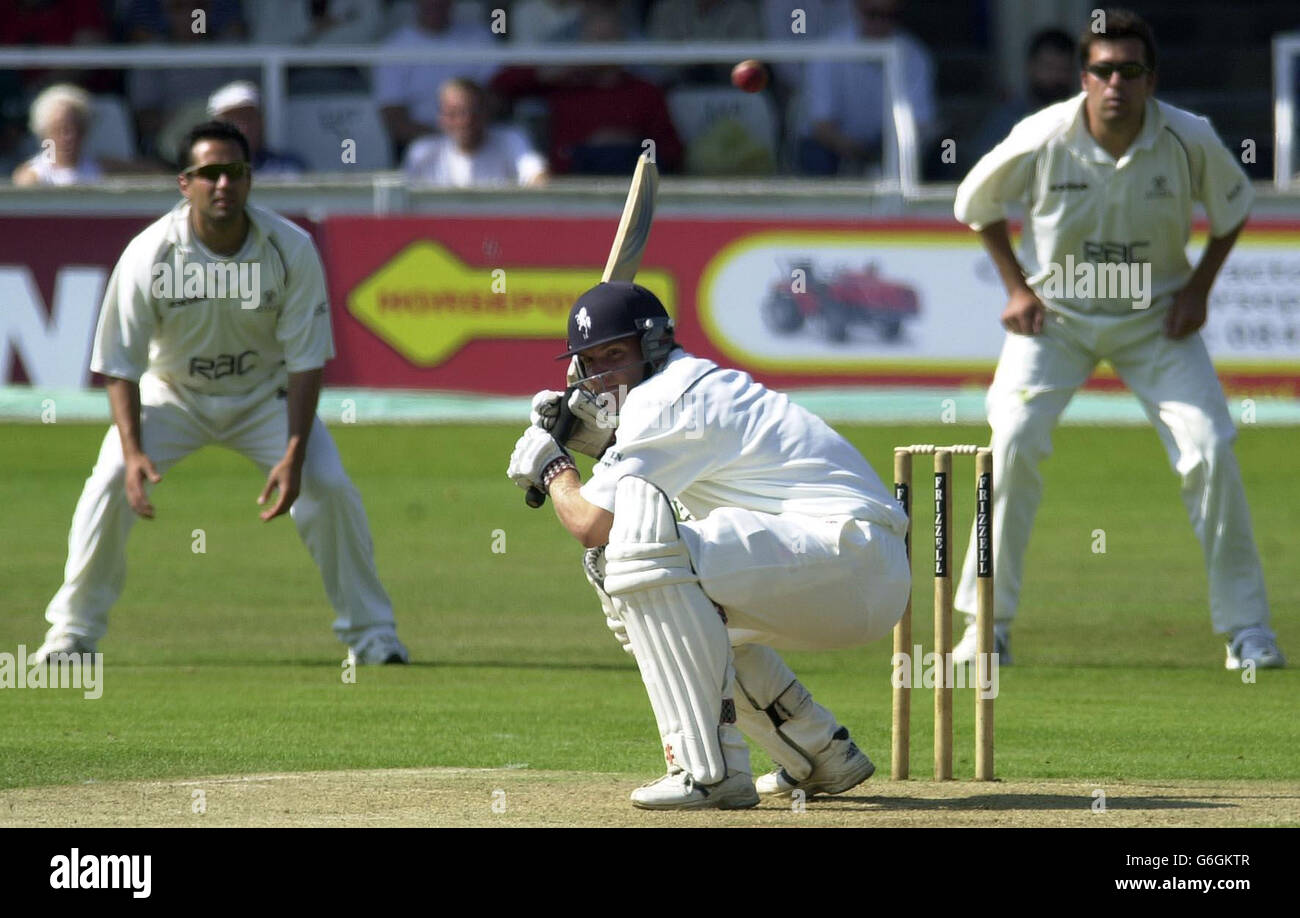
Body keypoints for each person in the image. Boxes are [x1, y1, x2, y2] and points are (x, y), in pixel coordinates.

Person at [948, 8, 1284, 671]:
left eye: (1130, 71)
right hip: (1058, 319)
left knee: (1211, 448)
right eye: (1103, 70)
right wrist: (1017, 288)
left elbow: (1234, 208)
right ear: (1084, 77)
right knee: (1011, 441)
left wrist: (1199, 291)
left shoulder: (1189, 138)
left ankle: (1248, 630)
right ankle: (985, 627)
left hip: (1155, 319)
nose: (1116, 84)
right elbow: (973, 205)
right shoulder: (1043, 134)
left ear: (1150, 79)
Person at [506, 282, 911, 809]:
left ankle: (708, 770)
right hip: (850, 569)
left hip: (848, 558)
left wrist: (555, 467)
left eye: (616, 355)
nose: (604, 374)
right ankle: (815, 750)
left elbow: (591, 522)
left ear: (653, 347)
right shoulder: (677, 392)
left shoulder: (666, 397)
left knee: (634, 554)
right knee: (679, 606)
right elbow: (647, 472)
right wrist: (596, 442)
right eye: (591, 362)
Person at [33, 121, 408, 667]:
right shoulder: (149, 255)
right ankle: (72, 636)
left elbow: (306, 363)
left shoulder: (291, 248)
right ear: (185, 183)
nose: (223, 184)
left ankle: (374, 638)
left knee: (328, 485)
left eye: (233, 171)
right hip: (172, 397)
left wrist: (294, 455)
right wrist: (134, 452)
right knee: (110, 480)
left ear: (250, 178)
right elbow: (119, 365)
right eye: (209, 173)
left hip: (264, 398)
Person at [797, 0, 936, 176]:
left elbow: (920, 123)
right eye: (873, 14)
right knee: (815, 155)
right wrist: (857, 153)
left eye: (889, 16)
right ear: (857, 8)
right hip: (832, 147)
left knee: (933, 157)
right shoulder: (827, 51)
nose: (880, 23)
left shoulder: (915, 55)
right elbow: (821, 126)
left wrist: (882, 154)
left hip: (886, 147)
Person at [373, 0, 497, 157]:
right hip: (419, 147)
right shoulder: (392, 48)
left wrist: (469, 135)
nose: (435, 3)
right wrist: (445, 142)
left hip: (480, 144)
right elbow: (393, 117)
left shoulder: (480, 38)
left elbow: (496, 98)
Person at [403, 78, 548, 187]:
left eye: (472, 111)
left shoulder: (511, 139)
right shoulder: (422, 152)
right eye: (453, 113)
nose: (464, 121)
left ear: (487, 112)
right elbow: (403, 199)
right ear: (441, 117)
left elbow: (538, 178)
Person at [969, 28, 1076, 164]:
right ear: (1031, 67)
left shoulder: (1083, 120)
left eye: (1063, 69)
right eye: (1048, 68)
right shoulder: (1006, 121)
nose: (1055, 77)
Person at [207, 81, 308, 178]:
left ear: (262, 122)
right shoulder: (203, 170)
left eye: (248, 118)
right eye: (232, 121)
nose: (242, 128)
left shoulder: (287, 168)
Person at [12, 83, 105, 186]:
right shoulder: (31, 176)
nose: (69, 136)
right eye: (59, 129)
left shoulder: (105, 169)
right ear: (44, 132)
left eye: (77, 127)